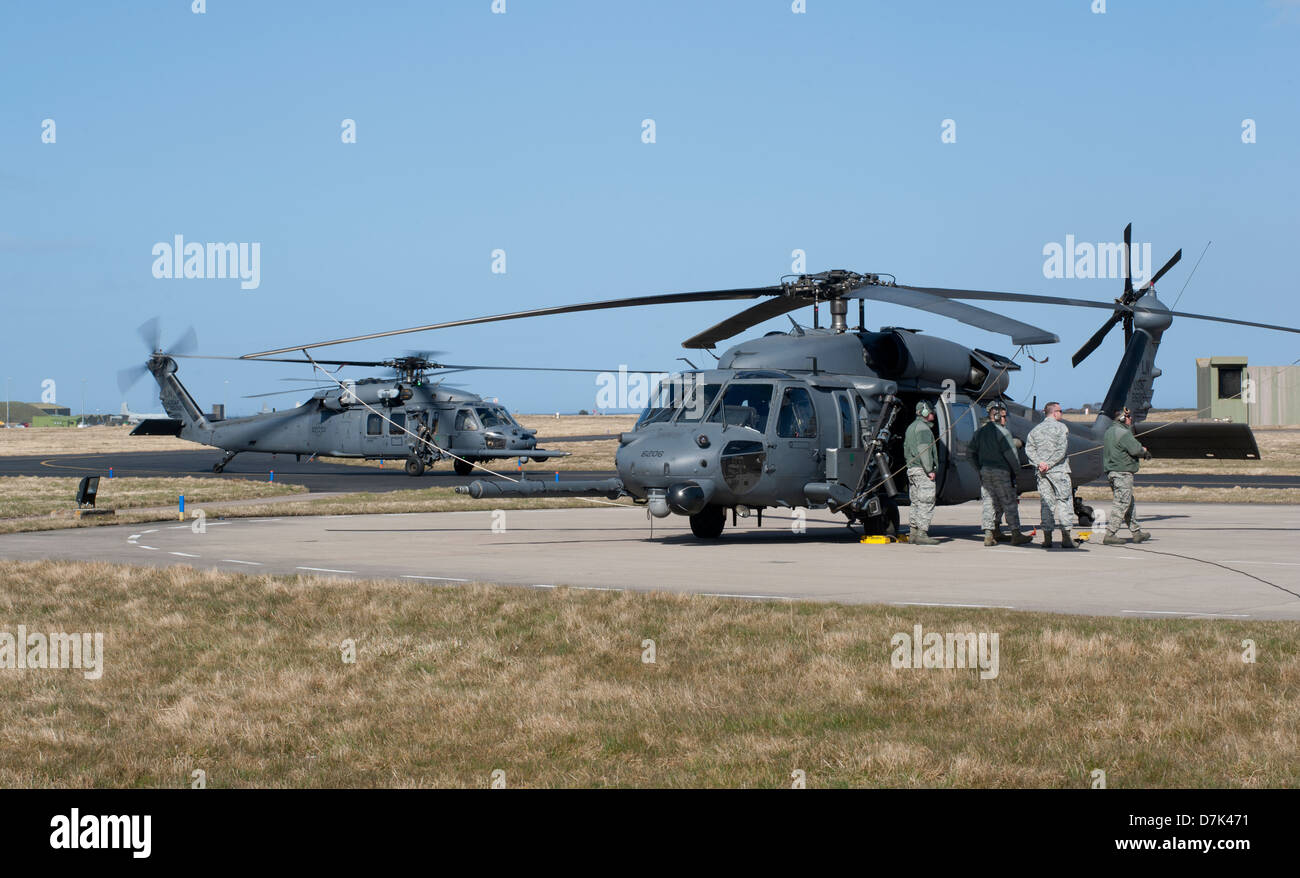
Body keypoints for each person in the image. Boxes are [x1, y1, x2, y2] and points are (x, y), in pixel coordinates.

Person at [970, 401, 1030, 546]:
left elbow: (970, 453)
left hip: (985, 472)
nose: (1005, 419)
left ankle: (989, 535)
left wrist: (979, 468)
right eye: (1003, 416)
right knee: (1009, 503)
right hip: (1002, 473)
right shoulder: (1003, 432)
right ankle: (1016, 534)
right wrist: (1016, 471)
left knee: (989, 504)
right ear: (996, 417)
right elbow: (1011, 456)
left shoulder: (979, 432)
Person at [1025, 401, 1077, 549]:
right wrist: (1050, 463)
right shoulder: (1061, 428)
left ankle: (1047, 538)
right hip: (1058, 471)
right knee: (1064, 502)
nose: (1061, 414)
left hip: (1042, 473)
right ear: (1054, 413)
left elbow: (1029, 450)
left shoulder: (1035, 430)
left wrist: (1039, 463)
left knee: (1046, 503)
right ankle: (1066, 538)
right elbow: (1062, 449)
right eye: (1060, 411)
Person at [1102, 407, 1152, 545]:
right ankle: (1110, 534)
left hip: (1112, 473)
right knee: (1122, 503)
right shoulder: (1123, 433)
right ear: (1123, 419)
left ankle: (1136, 533)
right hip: (1122, 473)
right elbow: (1136, 449)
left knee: (1128, 503)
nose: (1131, 420)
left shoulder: (1109, 432)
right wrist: (1144, 452)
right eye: (1129, 418)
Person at [903, 400, 940, 545]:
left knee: (916, 502)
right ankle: (922, 534)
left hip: (912, 470)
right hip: (922, 470)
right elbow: (924, 451)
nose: (933, 414)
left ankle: (913, 533)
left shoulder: (911, 427)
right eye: (931, 412)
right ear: (924, 413)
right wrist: (929, 470)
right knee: (926, 501)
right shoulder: (923, 429)